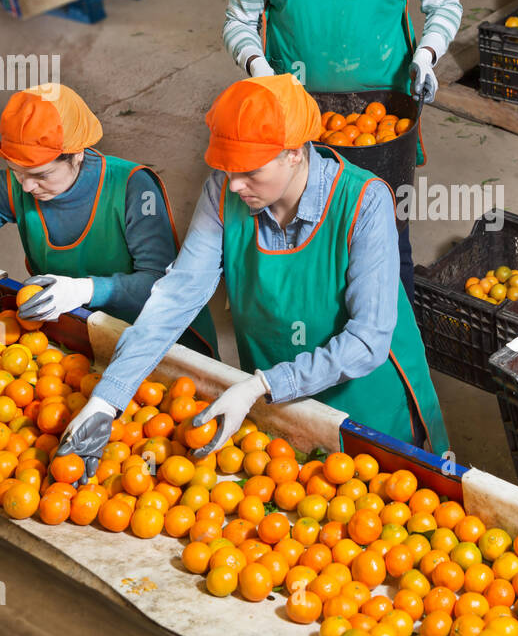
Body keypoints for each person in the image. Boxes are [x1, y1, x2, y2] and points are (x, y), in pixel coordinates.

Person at [55, 74, 449, 480]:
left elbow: (368, 340)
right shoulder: (223, 193)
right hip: (275, 396)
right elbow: (178, 295)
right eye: (228, 169)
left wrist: (262, 386)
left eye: (249, 171)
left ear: (294, 153)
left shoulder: (364, 201)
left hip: (367, 401)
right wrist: (106, 400)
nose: (236, 184)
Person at [222, 0, 464, 302]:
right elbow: (239, 21)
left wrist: (425, 56)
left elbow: (445, 6)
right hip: (297, 121)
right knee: (305, 233)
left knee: (389, 237)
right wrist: (261, 72)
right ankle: (311, 336)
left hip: (385, 124)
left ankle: (394, 339)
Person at [0, 84, 218, 377]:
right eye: (16, 170)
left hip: (162, 340)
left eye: (41, 174)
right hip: (82, 337)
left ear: (76, 156)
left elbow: (163, 286)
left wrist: (85, 291)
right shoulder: (13, 187)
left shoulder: (134, 188)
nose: (26, 187)